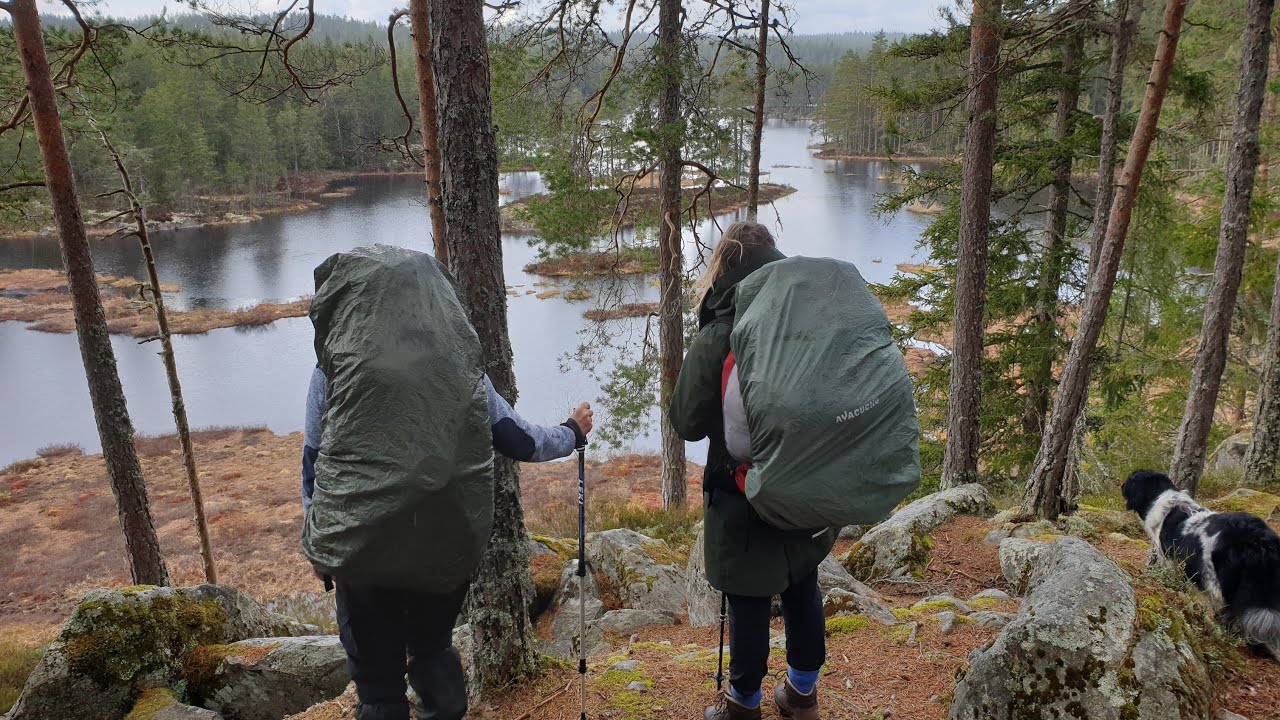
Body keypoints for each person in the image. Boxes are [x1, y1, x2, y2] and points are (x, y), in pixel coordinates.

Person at [303, 349, 593, 718]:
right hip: (439, 545)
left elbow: (314, 461)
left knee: (377, 687)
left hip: (360, 547)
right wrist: (571, 432)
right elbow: (520, 440)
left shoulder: (333, 362)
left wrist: (319, 542)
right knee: (433, 653)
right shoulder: (454, 356)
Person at [670, 221, 834, 720]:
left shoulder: (721, 332)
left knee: (747, 595)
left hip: (740, 490)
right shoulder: (804, 318)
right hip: (804, 481)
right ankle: (802, 695)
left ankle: (743, 704)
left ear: (725, 266)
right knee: (802, 581)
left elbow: (687, 422)